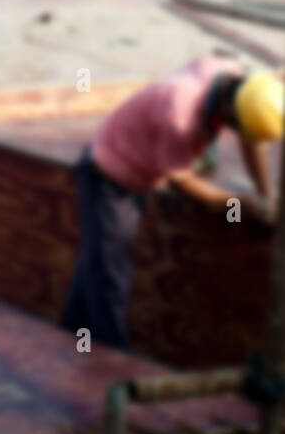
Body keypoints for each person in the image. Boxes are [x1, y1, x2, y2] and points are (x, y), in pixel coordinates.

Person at [60, 57, 282, 350]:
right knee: (112, 276)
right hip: (111, 179)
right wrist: (241, 204)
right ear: (230, 110)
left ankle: (68, 332)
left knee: (99, 260)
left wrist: (267, 195)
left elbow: (250, 139)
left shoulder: (236, 81)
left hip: (136, 161)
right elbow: (182, 181)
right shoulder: (181, 118)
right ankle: (108, 359)